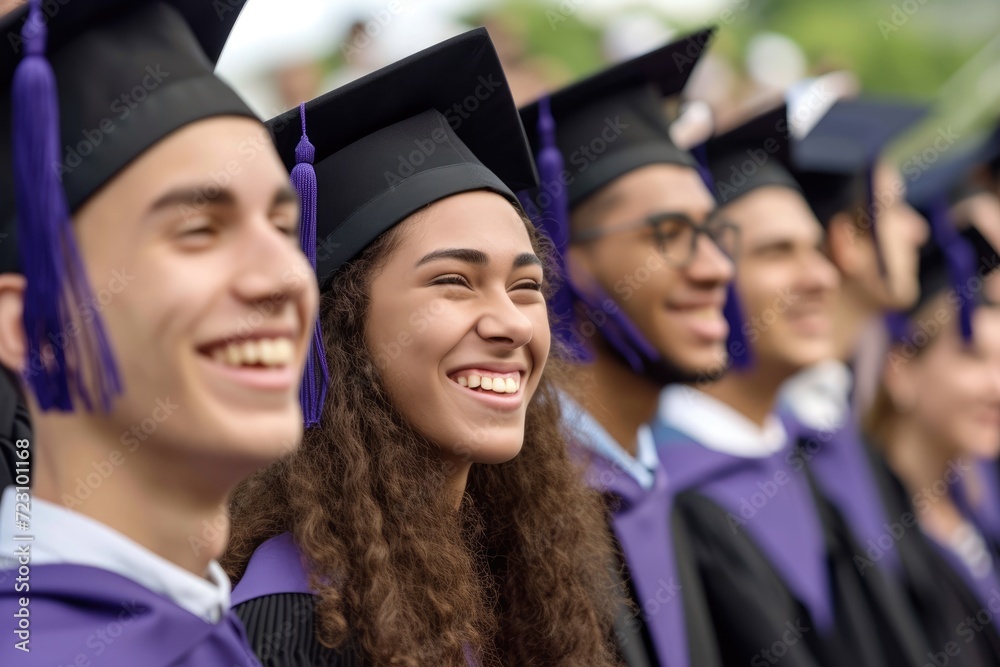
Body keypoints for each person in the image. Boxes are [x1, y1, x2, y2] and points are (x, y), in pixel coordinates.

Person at [223, 29, 620, 667]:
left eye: (526, 286)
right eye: (454, 282)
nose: (511, 324)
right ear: (335, 326)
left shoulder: (508, 577)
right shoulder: (296, 625)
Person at [0, 1, 320, 665]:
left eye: (285, 230)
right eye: (199, 230)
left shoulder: (206, 626)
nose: (285, 277)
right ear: (26, 328)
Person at [653, 104, 927, 667]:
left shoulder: (800, 453)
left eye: (815, 249)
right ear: (705, 279)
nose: (823, 277)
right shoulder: (671, 494)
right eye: (778, 252)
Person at [516, 28, 733, 667]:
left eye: (713, 232)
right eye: (667, 235)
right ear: (560, 261)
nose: (716, 267)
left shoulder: (651, 482)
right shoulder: (525, 523)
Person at [865, 222, 1000, 665]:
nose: (997, 386)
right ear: (901, 370)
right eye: (973, 357)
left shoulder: (976, 511)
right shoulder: (870, 540)